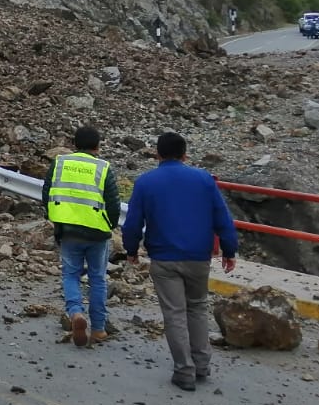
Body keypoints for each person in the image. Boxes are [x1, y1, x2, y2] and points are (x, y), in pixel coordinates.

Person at [122, 132, 238, 391]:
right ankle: (202, 364)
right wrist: (229, 250)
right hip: (198, 258)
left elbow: (132, 223)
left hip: (164, 259)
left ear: (157, 154)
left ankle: (184, 370)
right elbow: (223, 218)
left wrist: (131, 250)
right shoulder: (204, 179)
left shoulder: (146, 182)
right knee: (197, 307)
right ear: (185, 155)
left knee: (174, 313)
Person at [41, 126, 120, 348]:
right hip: (97, 232)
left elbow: (47, 194)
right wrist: (110, 225)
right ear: (98, 146)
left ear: (74, 144)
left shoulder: (60, 163)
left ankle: (75, 313)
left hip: (68, 230)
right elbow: (113, 204)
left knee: (70, 274)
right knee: (98, 278)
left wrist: (56, 218)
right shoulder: (103, 168)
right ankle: (98, 329)